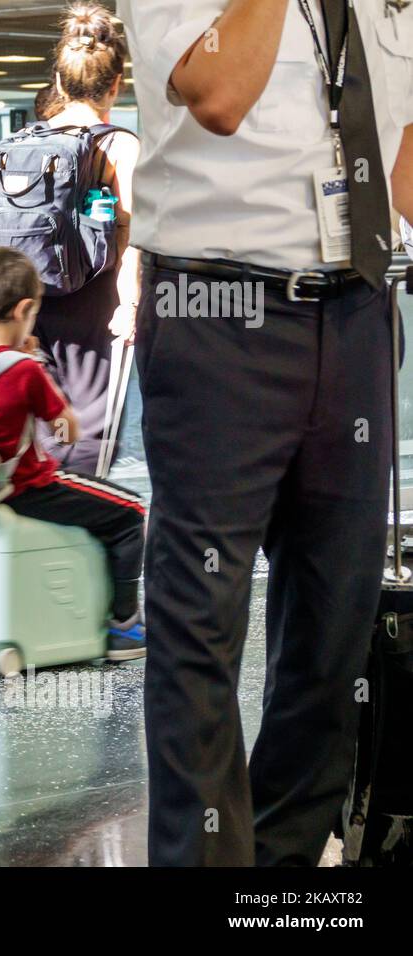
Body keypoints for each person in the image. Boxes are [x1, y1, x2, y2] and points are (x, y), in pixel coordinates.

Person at [119, 0, 413, 866]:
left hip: (356, 310)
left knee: (335, 624)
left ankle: (282, 873)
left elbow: (396, 161)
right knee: (202, 626)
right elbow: (220, 93)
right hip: (217, 308)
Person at [0, 248, 146, 659]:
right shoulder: (23, 370)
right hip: (28, 489)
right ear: (24, 310)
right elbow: (68, 430)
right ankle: (125, 626)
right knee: (130, 514)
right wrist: (37, 372)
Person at [30, 5, 141, 475]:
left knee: (43, 424)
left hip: (30, 304)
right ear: (116, 85)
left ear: (58, 82)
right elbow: (132, 236)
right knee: (92, 432)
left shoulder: (27, 141)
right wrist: (130, 305)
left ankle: (45, 502)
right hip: (94, 305)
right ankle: (81, 505)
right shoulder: (119, 145)